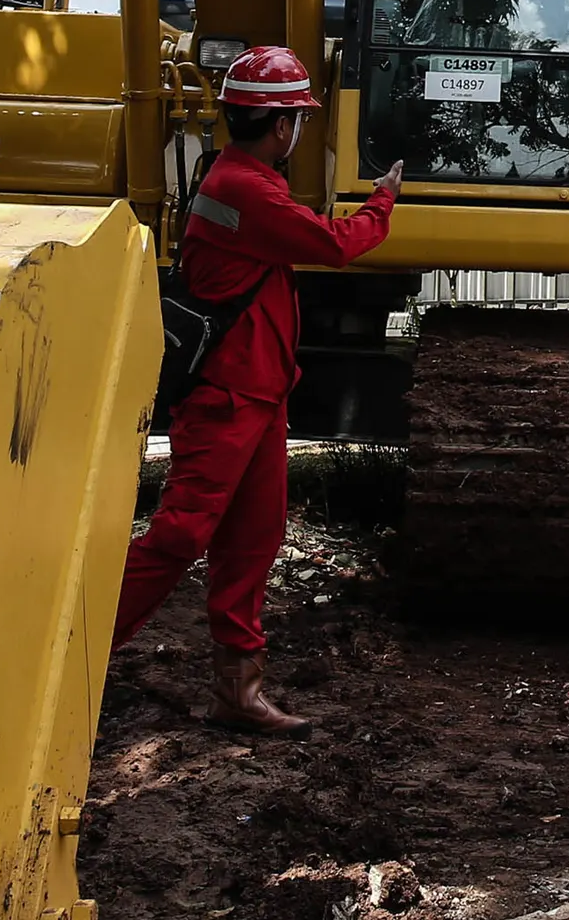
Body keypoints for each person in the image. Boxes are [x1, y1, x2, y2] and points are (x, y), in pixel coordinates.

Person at [115, 44, 405, 736]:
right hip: (226, 397)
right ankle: (70, 649)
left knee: (254, 539)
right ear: (284, 127)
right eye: (298, 121)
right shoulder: (245, 190)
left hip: (259, 395)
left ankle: (238, 691)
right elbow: (338, 244)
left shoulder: (235, 180)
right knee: (183, 531)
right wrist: (384, 199)